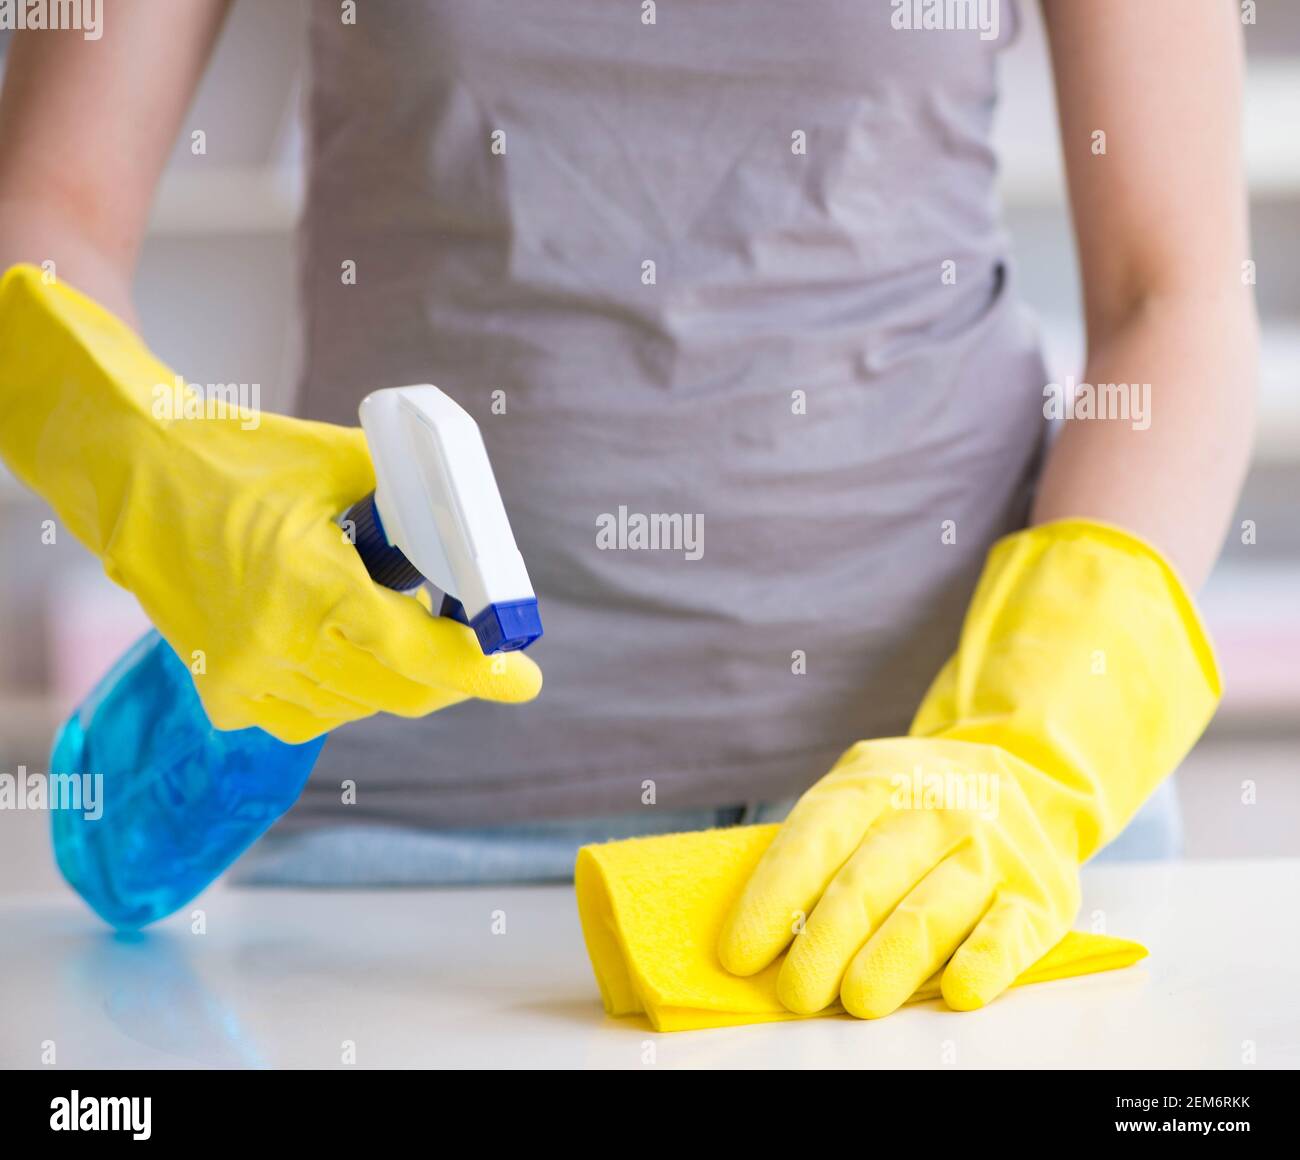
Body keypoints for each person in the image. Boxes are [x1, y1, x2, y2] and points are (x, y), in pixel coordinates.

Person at [0, 1, 1255, 1017]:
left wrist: (1027, 752)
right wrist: (159, 471)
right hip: (400, 841)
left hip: (953, 853)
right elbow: (42, 211)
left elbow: (1176, 297)